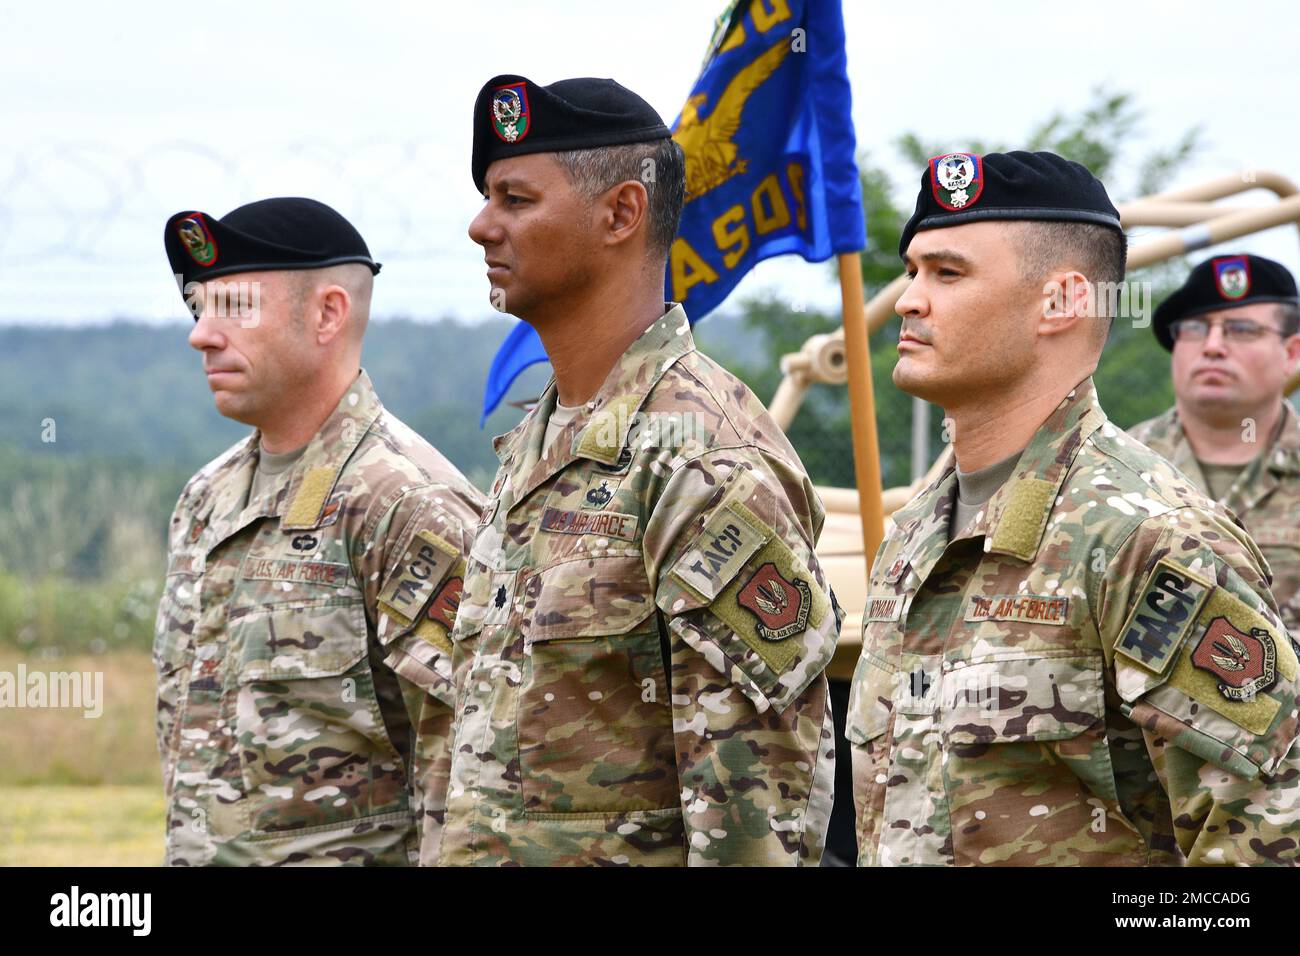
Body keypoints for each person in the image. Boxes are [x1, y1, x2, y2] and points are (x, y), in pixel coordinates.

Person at [847, 151, 1299, 866]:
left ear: (1061, 302)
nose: (908, 299)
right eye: (911, 272)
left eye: (948, 273)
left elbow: (1268, 841)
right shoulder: (915, 537)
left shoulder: (1148, 537)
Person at [438, 75, 840, 866]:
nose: (482, 225)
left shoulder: (702, 457)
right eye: (489, 197)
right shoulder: (541, 440)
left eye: (516, 199)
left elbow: (752, 821)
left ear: (621, 212)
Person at [155, 197, 483, 865]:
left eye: (235, 307)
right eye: (199, 307)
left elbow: (472, 780)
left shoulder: (404, 503)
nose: (202, 334)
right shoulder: (207, 500)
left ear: (329, 313)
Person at [1130, 254, 1300, 633]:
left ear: (1291, 353)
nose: (1213, 346)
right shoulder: (1116, 467)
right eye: (1195, 328)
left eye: (1241, 330)